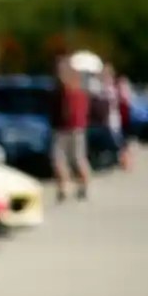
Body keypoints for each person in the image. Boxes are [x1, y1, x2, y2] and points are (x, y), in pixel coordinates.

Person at [50, 56, 91, 202]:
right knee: (72, 159)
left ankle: (69, 187)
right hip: (74, 127)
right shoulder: (79, 86)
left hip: (67, 127)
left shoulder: (66, 88)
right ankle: (73, 187)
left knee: (63, 159)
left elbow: (66, 109)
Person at [116, 72, 136, 170]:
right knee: (125, 143)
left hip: (124, 122)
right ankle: (127, 162)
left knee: (124, 143)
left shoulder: (123, 97)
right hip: (125, 121)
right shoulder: (127, 95)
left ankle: (127, 162)